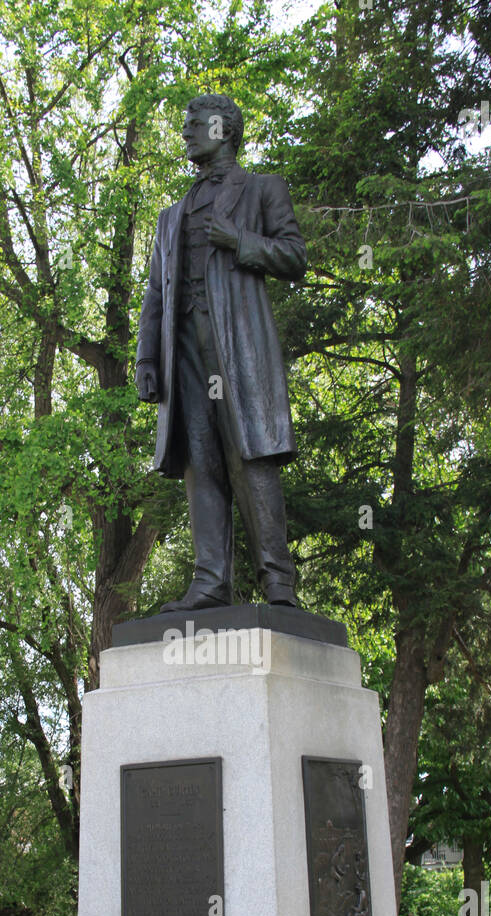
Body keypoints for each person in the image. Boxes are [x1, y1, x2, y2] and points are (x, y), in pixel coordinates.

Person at [135, 94, 306, 612]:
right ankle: (210, 580)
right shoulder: (171, 216)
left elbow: (294, 256)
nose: (185, 133)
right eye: (183, 124)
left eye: (193, 124)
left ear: (223, 128)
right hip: (183, 351)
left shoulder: (261, 190)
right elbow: (155, 294)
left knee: (251, 457)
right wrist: (147, 359)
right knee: (200, 460)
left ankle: (278, 581)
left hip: (238, 347)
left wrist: (239, 240)